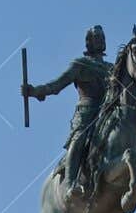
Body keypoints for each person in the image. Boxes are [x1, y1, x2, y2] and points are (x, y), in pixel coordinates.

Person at [22, 25, 113, 198]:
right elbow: (57, 85)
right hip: (87, 112)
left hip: (108, 111)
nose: (101, 40)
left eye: (102, 37)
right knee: (78, 139)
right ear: (89, 42)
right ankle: (71, 184)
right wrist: (35, 91)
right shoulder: (80, 65)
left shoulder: (112, 68)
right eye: (97, 37)